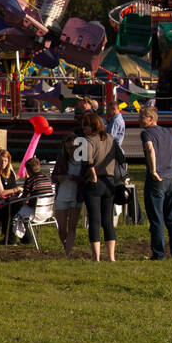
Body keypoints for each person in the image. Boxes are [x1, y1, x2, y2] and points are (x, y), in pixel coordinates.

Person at [140, 105, 172, 259]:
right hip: (171, 179)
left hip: (157, 180)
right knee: (171, 218)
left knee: (156, 218)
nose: (138, 120)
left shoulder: (146, 133)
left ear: (150, 119)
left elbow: (150, 149)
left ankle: (159, 254)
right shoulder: (168, 132)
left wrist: (153, 170)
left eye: (141, 117)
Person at [80, 111, 120, 261]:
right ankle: (111, 256)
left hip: (93, 182)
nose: (83, 128)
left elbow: (87, 160)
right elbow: (119, 157)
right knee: (108, 220)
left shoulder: (87, 141)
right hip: (109, 181)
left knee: (94, 220)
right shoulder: (110, 138)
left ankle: (96, 257)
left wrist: (92, 173)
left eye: (86, 125)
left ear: (93, 126)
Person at [53, 129, 83, 256]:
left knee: (72, 226)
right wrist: (58, 178)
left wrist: (75, 178)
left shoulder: (83, 161)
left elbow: (86, 178)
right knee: (61, 227)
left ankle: (68, 252)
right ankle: (66, 244)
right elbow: (53, 176)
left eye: (72, 148)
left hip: (76, 195)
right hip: (62, 195)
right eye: (68, 148)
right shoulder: (61, 159)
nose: (70, 151)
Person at [0, 148, 21, 238]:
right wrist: (16, 189)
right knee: (6, 205)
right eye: (1, 161)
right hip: (2, 197)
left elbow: (14, 178)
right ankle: (7, 233)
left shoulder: (9, 168)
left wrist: (24, 174)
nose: (3, 164)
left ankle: (11, 234)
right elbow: (1, 192)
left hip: (14, 196)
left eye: (5, 161)